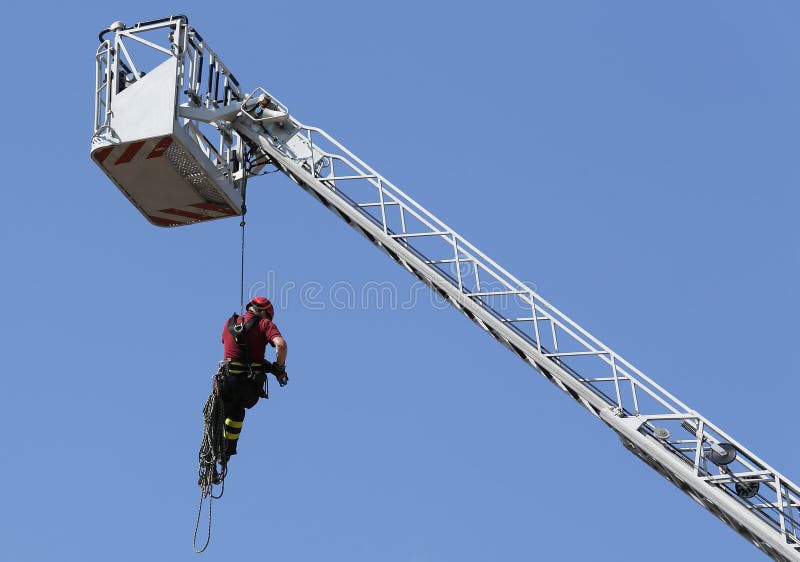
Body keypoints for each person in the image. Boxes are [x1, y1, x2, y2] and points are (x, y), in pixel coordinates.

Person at [215, 296, 288, 462]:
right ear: (263, 312)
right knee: (238, 411)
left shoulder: (229, 323)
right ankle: (227, 451)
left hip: (225, 382)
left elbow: (237, 353)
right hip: (247, 388)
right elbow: (281, 345)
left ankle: (214, 450)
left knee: (220, 414)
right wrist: (279, 368)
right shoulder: (265, 324)